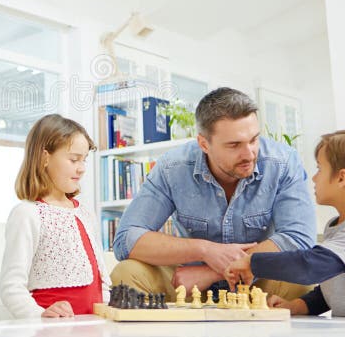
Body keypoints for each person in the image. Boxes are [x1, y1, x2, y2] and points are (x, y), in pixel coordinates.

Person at [112, 87, 316, 301]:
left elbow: (299, 238)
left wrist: (216, 271)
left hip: (257, 282)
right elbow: (126, 240)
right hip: (189, 286)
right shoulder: (172, 168)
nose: (249, 154)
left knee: (301, 280)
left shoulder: (283, 162)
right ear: (204, 144)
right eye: (234, 145)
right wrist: (204, 250)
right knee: (126, 274)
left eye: (254, 140)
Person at [224, 129, 345, 318]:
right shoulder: (340, 226)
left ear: (342, 178)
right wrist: (297, 305)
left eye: (320, 169)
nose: (314, 178)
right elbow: (335, 287)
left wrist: (253, 262)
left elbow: (310, 267)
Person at [0, 114, 109, 318]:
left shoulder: (85, 213)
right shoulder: (28, 214)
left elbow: (101, 282)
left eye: (84, 160)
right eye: (74, 159)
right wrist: (40, 315)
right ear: (45, 157)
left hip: (93, 326)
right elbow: (11, 288)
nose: (81, 168)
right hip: (52, 329)